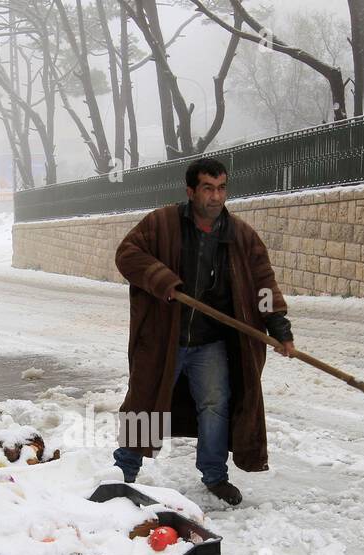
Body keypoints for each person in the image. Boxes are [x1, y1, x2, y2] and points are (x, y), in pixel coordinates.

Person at [112, 157, 295, 506]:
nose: (215, 197)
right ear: (191, 191)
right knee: (143, 400)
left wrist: (279, 327)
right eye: (208, 188)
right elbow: (127, 254)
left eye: (221, 188)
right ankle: (124, 471)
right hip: (165, 339)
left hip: (210, 342)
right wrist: (164, 281)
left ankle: (214, 476)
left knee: (215, 405)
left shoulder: (240, 235)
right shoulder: (162, 224)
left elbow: (263, 284)